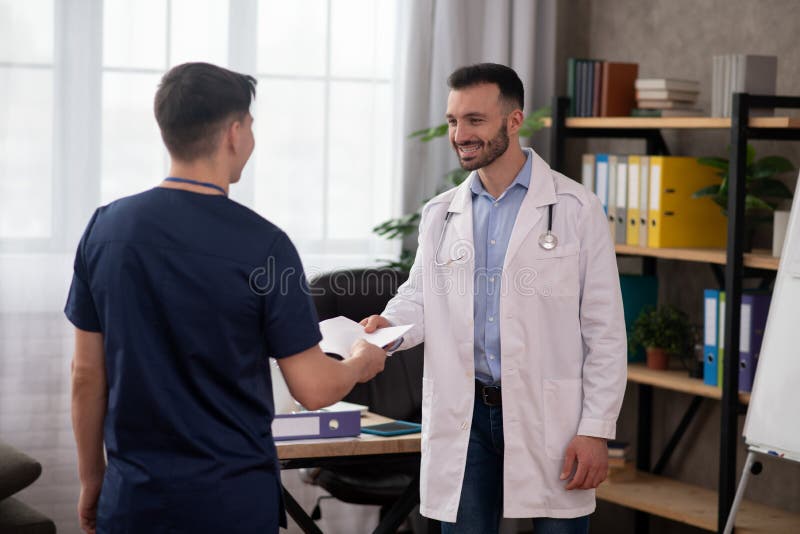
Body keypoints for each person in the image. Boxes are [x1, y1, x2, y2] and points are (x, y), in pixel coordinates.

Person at [65, 62, 387, 534]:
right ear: (234, 133)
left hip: (133, 500)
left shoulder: (104, 230)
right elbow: (314, 389)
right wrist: (362, 360)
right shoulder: (265, 246)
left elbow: (86, 376)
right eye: (251, 128)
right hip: (232, 503)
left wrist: (92, 478)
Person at [361, 63, 627, 533]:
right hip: (466, 416)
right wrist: (387, 327)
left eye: (474, 120)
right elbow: (420, 297)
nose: (460, 134)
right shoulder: (441, 213)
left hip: (552, 416)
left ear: (513, 120)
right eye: (452, 121)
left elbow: (605, 332)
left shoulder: (575, 209)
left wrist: (595, 429)